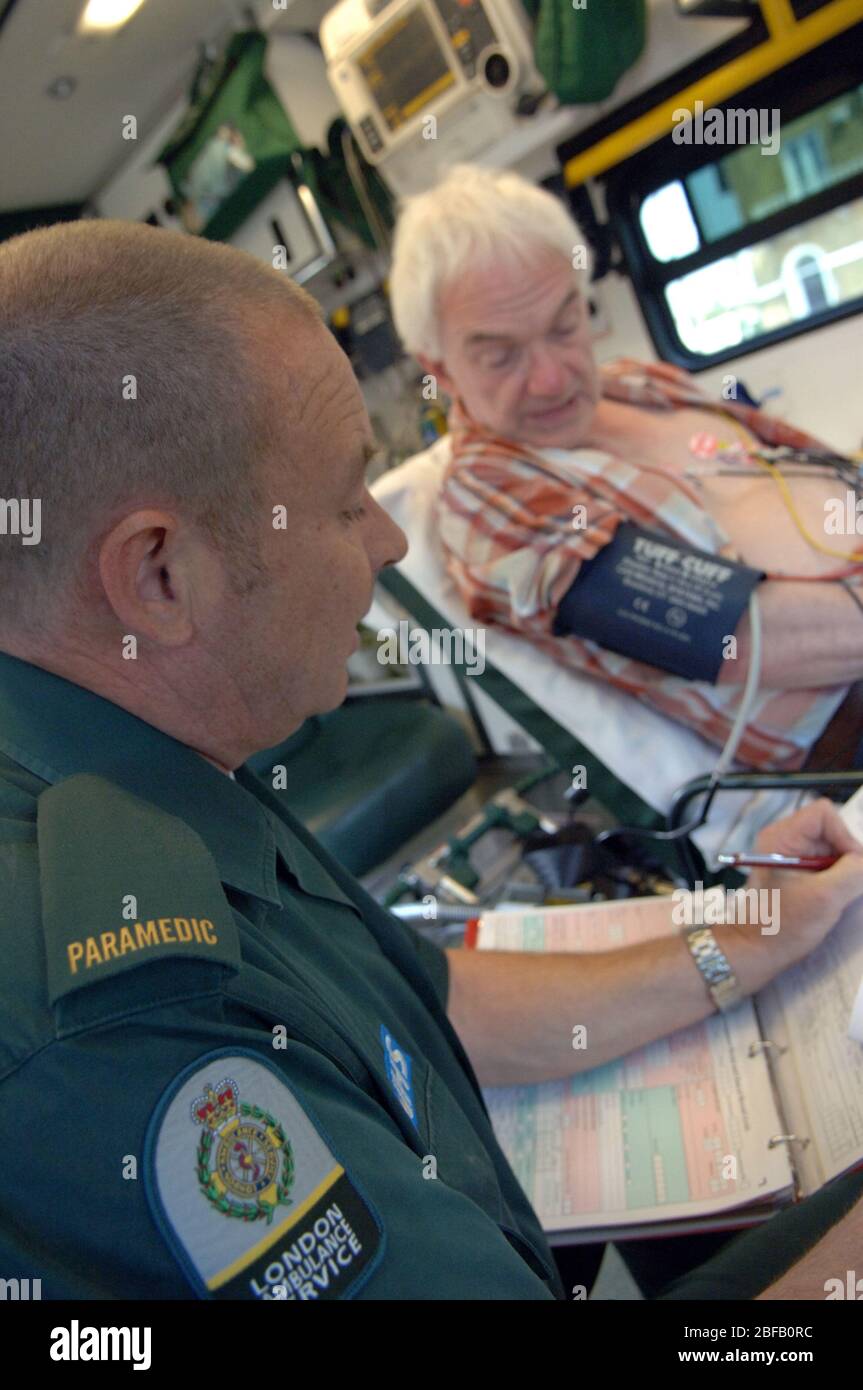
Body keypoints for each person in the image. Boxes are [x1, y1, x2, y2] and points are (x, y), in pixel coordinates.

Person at [0, 218, 861, 1301]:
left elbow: (435, 1002)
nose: (388, 539)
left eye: (566, 324)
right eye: (344, 497)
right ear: (162, 577)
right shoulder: (109, 1023)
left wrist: (738, 937)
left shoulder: (160, 766)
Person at [388, 164, 863, 770]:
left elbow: (807, 461)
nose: (553, 378)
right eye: (501, 356)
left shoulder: (636, 383)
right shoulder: (488, 498)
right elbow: (738, 635)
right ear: (443, 372)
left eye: (565, 325)